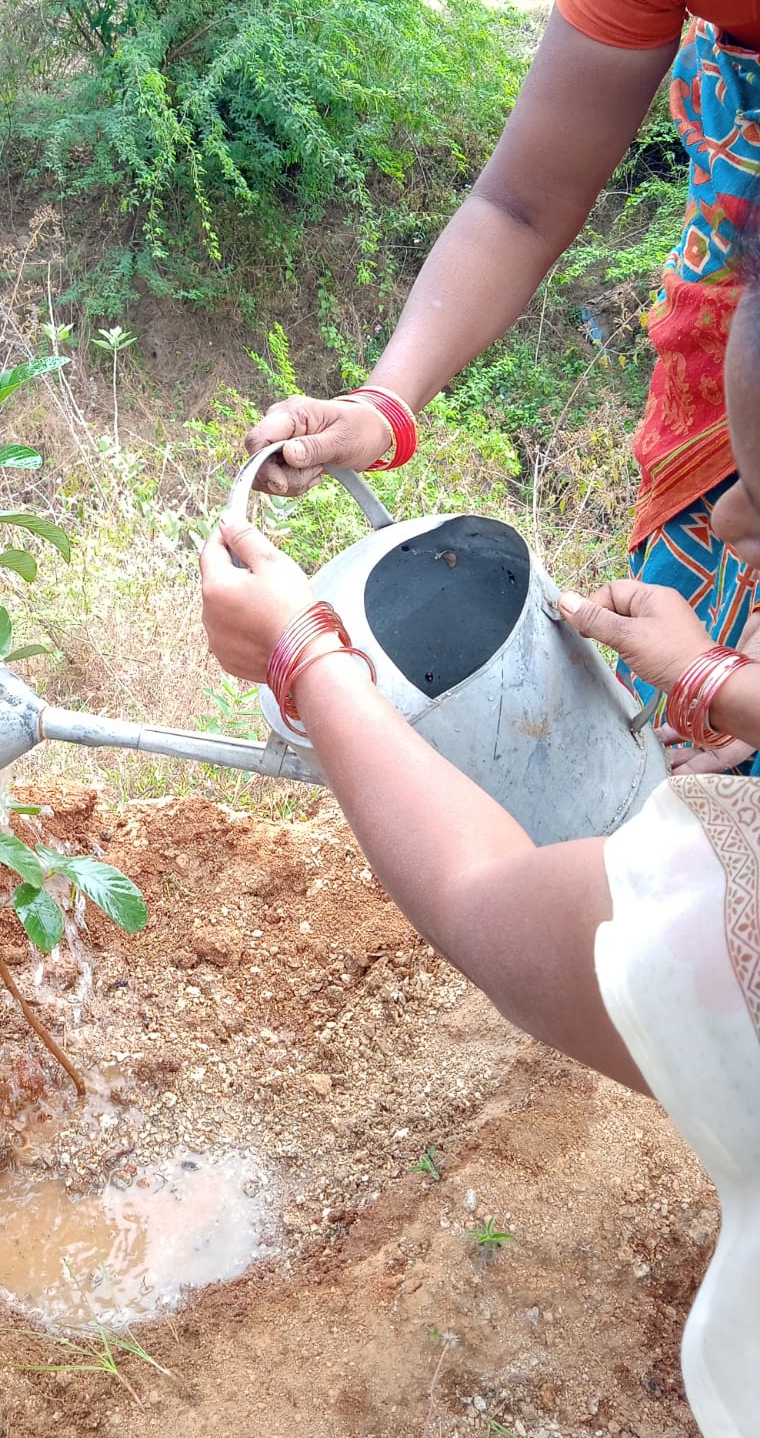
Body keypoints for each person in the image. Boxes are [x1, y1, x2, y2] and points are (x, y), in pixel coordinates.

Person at [199, 239, 760, 1438]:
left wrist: (310, 659)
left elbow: (487, 893)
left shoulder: (732, 916)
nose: (721, 513)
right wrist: (718, 682)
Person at [245, 0, 760, 771]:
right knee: (662, 805)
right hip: (733, 427)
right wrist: (384, 404)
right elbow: (522, 203)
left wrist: (737, 692)